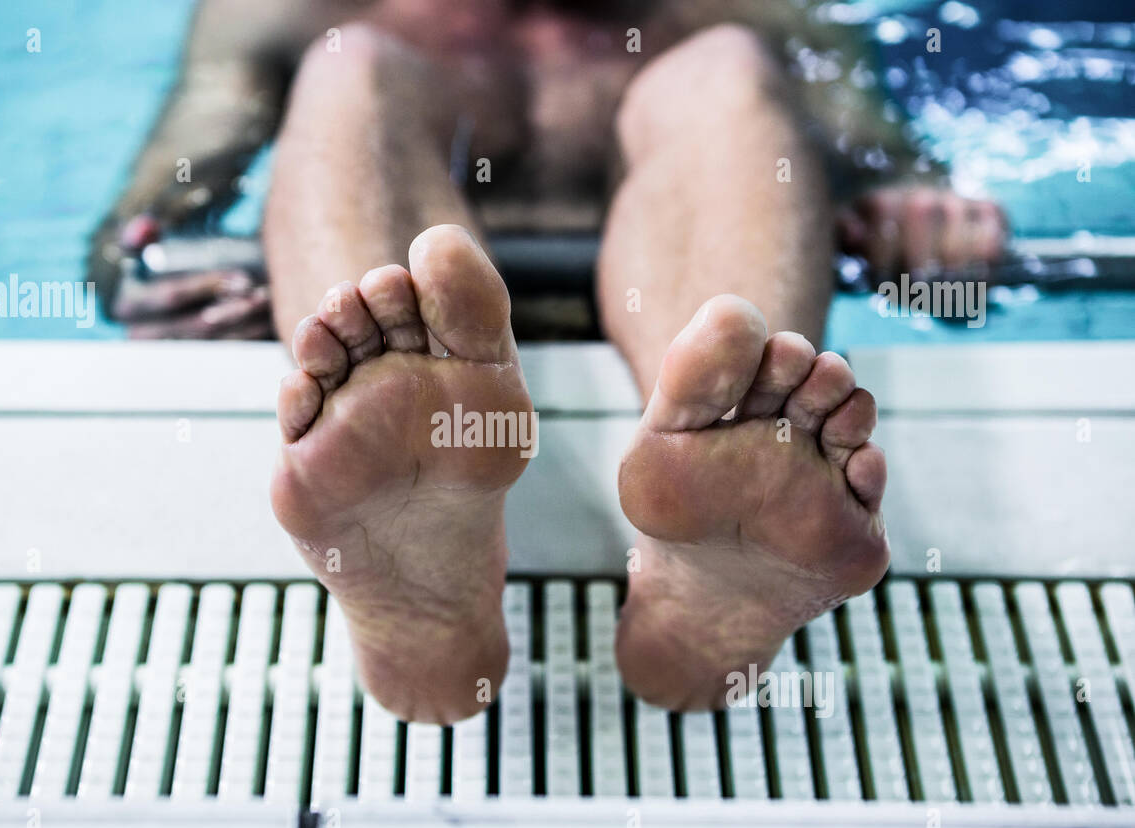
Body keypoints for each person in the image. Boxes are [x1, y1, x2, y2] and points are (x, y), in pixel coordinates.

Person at [88, 0, 1007, 723]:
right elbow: (157, 205)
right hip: (419, 333)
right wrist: (140, 269)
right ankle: (424, 547)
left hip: (665, 322)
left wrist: (927, 224)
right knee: (350, 62)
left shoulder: (751, 5)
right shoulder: (286, 6)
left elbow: (893, 179)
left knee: (725, 66)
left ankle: (716, 510)